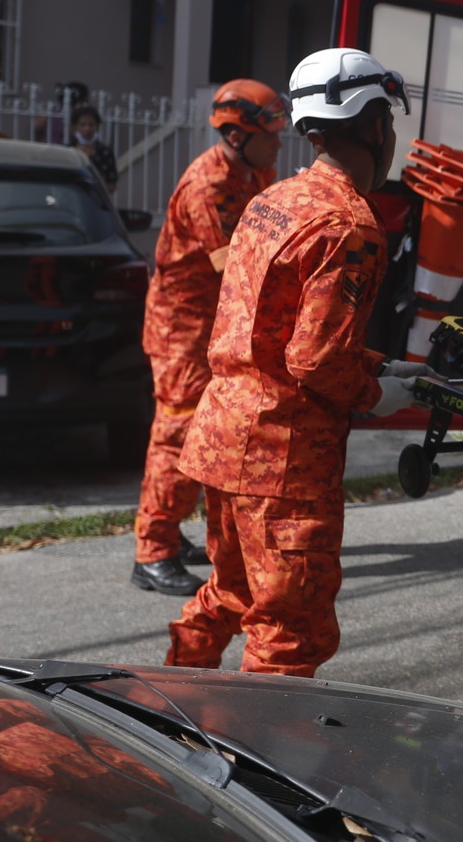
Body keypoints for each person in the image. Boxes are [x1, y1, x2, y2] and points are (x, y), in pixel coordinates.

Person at [165, 48, 428, 678]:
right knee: (290, 631)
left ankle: (164, 708)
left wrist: (378, 365)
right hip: (282, 462)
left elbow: (269, 328)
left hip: (221, 438)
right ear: (374, 127)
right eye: (388, 122)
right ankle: (257, 766)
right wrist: (378, 394)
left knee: (229, 593)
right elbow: (313, 359)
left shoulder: (273, 200)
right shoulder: (350, 225)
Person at [129, 80, 290, 597]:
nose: (281, 143)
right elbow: (236, 263)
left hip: (215, 323)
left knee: (207, 434)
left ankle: (176, 536)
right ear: (237, 134)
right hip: (182, 328)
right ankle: (152, 552)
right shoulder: (209, 187)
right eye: (272, 133)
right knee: (175, 434)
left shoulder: (255, 172)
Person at [69, 105, 118, 193]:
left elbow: (111, 183)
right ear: (75, 127)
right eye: (82, 125)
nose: (87, 129)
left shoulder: (104, 151)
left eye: (91, 125)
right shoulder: (69, 150)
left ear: (97, 126)